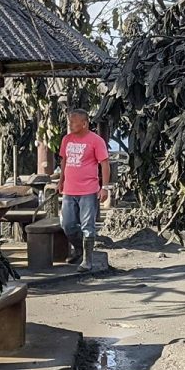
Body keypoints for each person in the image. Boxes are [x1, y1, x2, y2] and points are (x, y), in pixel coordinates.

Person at [57, 108, 110, 270]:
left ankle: (87, 260)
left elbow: (105, 164)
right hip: (69, 190)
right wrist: (61, 181)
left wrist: (105, 187)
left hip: (88, 190)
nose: (70, 125)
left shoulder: (96, 141)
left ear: (84, 123)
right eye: (70, 122)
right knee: (68, 224)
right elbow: (64, 161)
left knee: (88, 225)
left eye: (73, 122)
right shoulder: (67, 139)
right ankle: (79, 249)